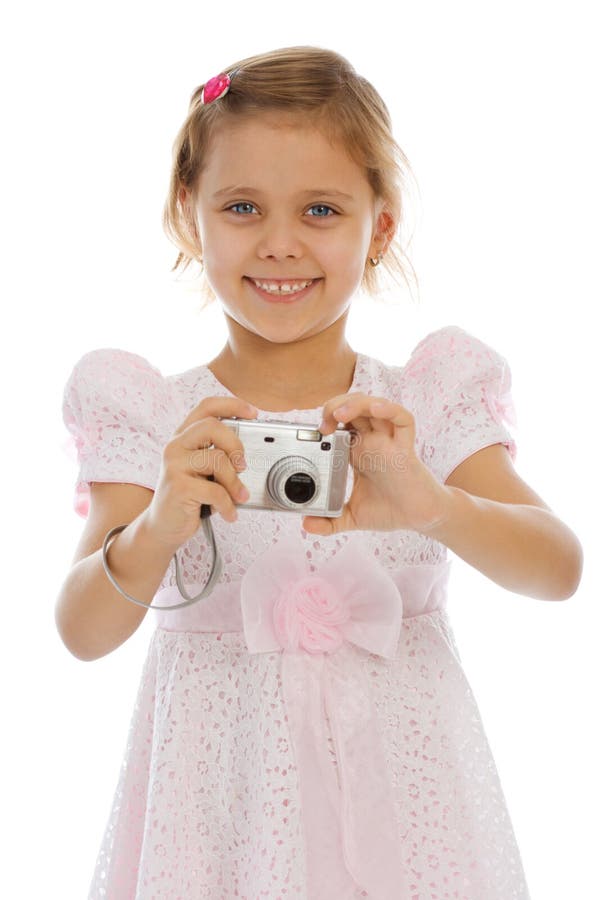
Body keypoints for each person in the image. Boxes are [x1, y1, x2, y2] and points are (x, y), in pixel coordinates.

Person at [55, 45, 583, 900]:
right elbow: (82, 632)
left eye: (321, 210)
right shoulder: (154, 415)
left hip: (412, 812)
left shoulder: (419, 404)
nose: (279, 244)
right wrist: (157, 528)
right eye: (240, 206)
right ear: (189, 215)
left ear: (379, 225)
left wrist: (432, 503)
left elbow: (557, 568)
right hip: (217, 820)